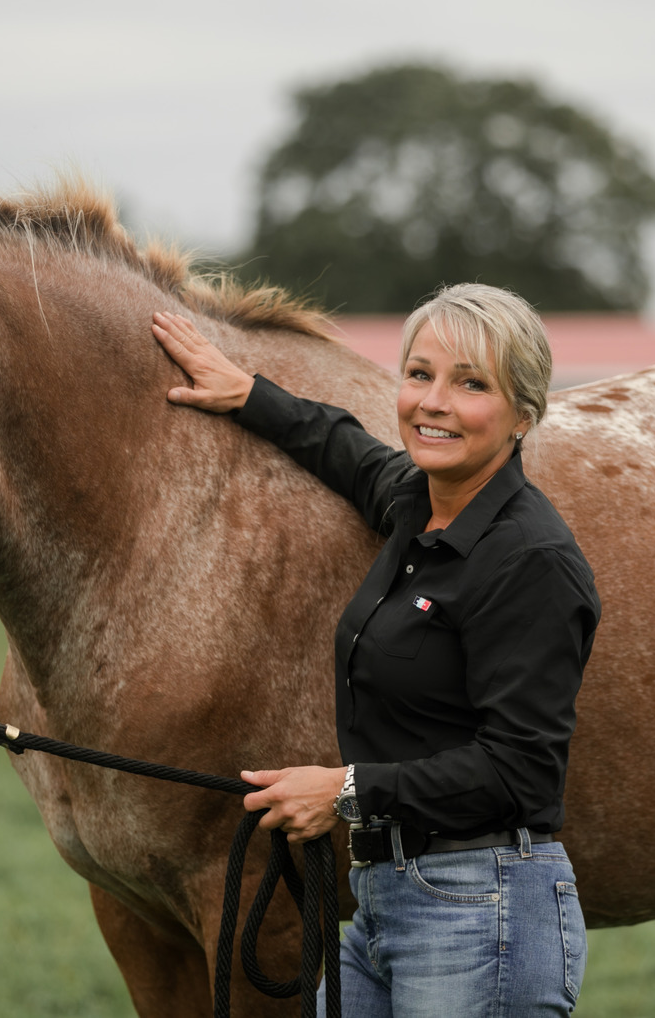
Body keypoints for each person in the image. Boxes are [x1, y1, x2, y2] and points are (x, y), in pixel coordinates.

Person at [152, 284, 600, 1017]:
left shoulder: (531, 559)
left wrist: (344, 791)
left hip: (483, 913)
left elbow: (520, 770)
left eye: (471, 384)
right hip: (384, 902)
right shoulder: (420, 504)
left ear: (524, 413)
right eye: (419, 374)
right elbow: (348, 451)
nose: (433, 402)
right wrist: (247, 393)